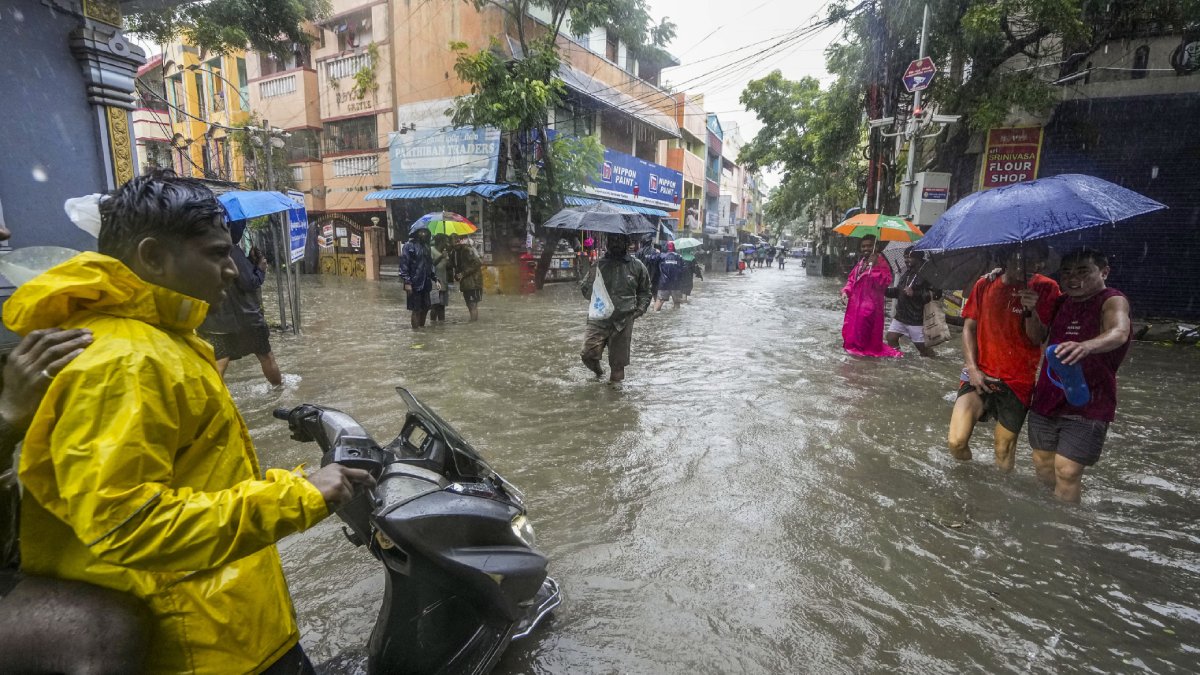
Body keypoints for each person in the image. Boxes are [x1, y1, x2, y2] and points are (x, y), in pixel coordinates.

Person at [2, 171, 376, 674]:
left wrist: (295, 483)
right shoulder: (126, 363)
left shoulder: (161, 339)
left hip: (224, 619)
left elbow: (195, 478)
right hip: (204, 641)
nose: (230, 270)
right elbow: (130, 524)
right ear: (153, 256)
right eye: (217, 253)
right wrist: (300, 496)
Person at [1028, 249, 1131, 502]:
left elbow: (1119, 332)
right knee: (1043, 464)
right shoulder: (1061, 302)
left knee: (1067, 470)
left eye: (1083, 271)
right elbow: (1036, 337)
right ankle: (1050, 511)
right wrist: (1030, 310)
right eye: (1066, 273)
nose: (1073, 279)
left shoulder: (1112, 300)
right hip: (1047, 397)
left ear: (1104, 272)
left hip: (1089, 400)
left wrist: (1086, 346)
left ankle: (1063, 530)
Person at [948, 243, 1061, 472]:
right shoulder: (985, 283)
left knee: (1003, 451)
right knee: (956, 442)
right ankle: (971, 480)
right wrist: (972, 368)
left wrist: (1031, 309)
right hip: (979, 374)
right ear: (1006, 258)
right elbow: (969, 328)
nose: (1027, 265)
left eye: (1035, 260)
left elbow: (1037, 338)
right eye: (1021, 258)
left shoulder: (1047, 288)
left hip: (1017, 381)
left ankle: (998, 495)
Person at [198, 222, 283, 386]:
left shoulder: (203, 251)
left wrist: (249, 262)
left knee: (220, 361)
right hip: (246, 318)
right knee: (266, 356)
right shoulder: (232, 250)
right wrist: (260, 269)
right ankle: (280, 390)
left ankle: (212, 399)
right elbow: (249, 283)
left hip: (216, 321)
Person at [579, 233, 651, 383]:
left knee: (618, 366)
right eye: (612, 239)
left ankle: (613, 398)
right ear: (607, 242)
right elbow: (585, 290)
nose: (615, 243)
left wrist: (639, 310)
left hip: (624, 320)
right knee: (587, 354)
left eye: (620, 240)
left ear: (627, 243)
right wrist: (593, 279)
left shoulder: (637, 266)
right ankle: (598, 373)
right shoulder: (598, 265)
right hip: (599, 318)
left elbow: (645, 292)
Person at [840, 236, 903, 358]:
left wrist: (873, 267)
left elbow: (884, 282)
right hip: (855, 305)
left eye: (869, 245)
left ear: (876, 247)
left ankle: (862, 361)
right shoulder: (861, 262)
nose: (866, 248)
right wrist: (845, 292)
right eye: (863, 246)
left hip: (870, 306)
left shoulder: (881, 262)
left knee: (865, 335)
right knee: (852, 332)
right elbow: (852, 280)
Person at [884, 248, 942, 357]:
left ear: (918, 257)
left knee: (923, 350)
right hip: (901, 316)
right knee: (891, 338)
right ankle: (899, 359)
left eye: (909, 257)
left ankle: (935, 361)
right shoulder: (907, 272)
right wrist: (884, 290)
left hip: (916, 319)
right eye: (905, 257)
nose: (906, 260)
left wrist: (915, 293)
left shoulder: (928, 273)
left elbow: (937, 294)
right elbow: (898, 292)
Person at [400, 225, 436, 330]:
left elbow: (430, 264)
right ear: (416, 233)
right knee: (416, 309)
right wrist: (407, 282)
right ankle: (416, 332)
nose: (424, 234)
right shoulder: (408, 246)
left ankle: (421, 328)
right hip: (414, 283)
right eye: (421, 232)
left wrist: (435, 278)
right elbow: (404, 265)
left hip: (426, 282)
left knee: (426, 306)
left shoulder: (426, 246)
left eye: (425, 232)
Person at [448, 233, 483, 322]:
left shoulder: (467, 249)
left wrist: (463, 273)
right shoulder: (453, 253)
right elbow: (455, 266)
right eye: (452, 243)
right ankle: (473, 322)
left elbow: (478, 263)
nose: (455, 244)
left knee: (472, 304)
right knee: (469, 304)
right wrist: (456, 274)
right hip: (465, 283)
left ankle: (473, 324)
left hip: (473, 282)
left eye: (456, 242)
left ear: (459, 241)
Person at [652, 241, 685, 311]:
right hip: (676, 284)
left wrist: (657, 253)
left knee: (659, 301)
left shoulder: (662, 256)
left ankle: (654, 316)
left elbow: (651, 259)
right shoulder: (679, 256)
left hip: (664, 283)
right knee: (677, 303)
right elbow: (683, 269)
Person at [429, 233, 450, 323]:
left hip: (444, 282)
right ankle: (433, 324)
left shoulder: (445, 252)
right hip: (434, 283)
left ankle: (441, 326)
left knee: (442, 306)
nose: (447, 243)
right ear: (441, 242)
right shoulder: (431, 250)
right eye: (446, 241)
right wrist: (441, 257)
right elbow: (431, 265)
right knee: (434, 305)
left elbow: (448, 267)